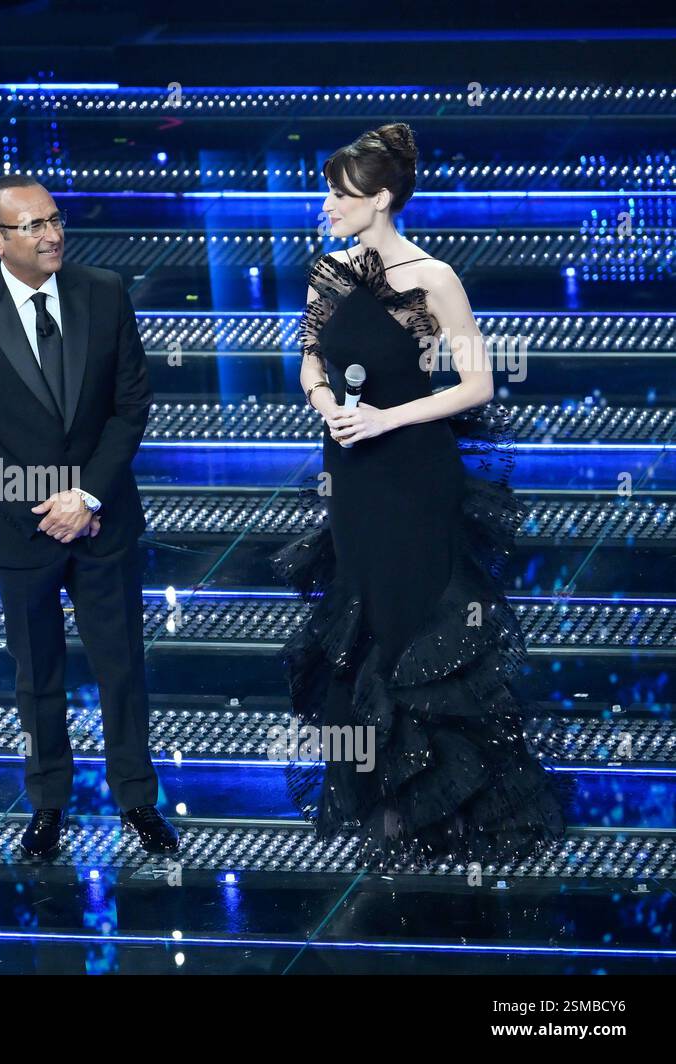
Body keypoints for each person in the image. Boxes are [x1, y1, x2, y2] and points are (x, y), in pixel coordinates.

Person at [272, 122, 568, 867]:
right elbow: (308, 363)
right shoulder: (327, 272)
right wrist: (327, 407)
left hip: (414, 471)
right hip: (351, 472)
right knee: (364, 617)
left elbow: (477, 384)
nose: (327, 206)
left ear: (380, 199)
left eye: (339, 195)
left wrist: (385, 418)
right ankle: (385, 804)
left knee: (419, 618)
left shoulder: (435, 278)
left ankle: (451, 806)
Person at [0, 175, 178, 861]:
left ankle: (137, 798)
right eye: (33, 225)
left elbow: (130, 407)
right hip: (20, 527)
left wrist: (87, 497)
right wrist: (49, 507)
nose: (51, 235)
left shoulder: (105, 292)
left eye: (55, 219)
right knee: (36, 674)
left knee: (121, 667)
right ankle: (47, 803)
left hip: (103, 520)